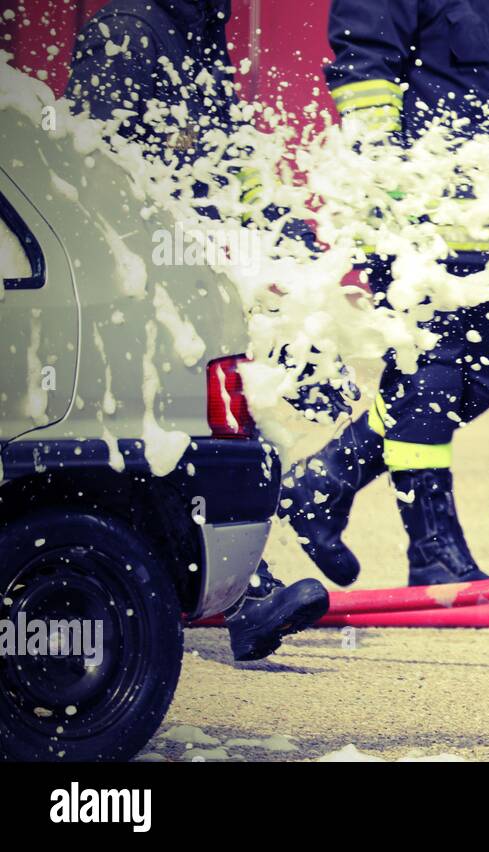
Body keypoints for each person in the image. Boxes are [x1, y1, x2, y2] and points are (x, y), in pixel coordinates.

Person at [66, 0, 330, 662]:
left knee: (216, 428)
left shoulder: (197, 34)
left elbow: (231, 165)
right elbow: (91, 174)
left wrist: (282, 228)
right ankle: (223, 595)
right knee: (178, 436)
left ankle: (242, 593)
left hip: (183, 275)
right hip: (127, 290)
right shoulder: (128, 31)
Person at [280, 0, 489, 589]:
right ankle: (433, 552)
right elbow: (364, 73)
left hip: (480, 217)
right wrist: (392, 194)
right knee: (432, 374)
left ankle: (326, 478)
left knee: (478, 379)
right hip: (417, 214)